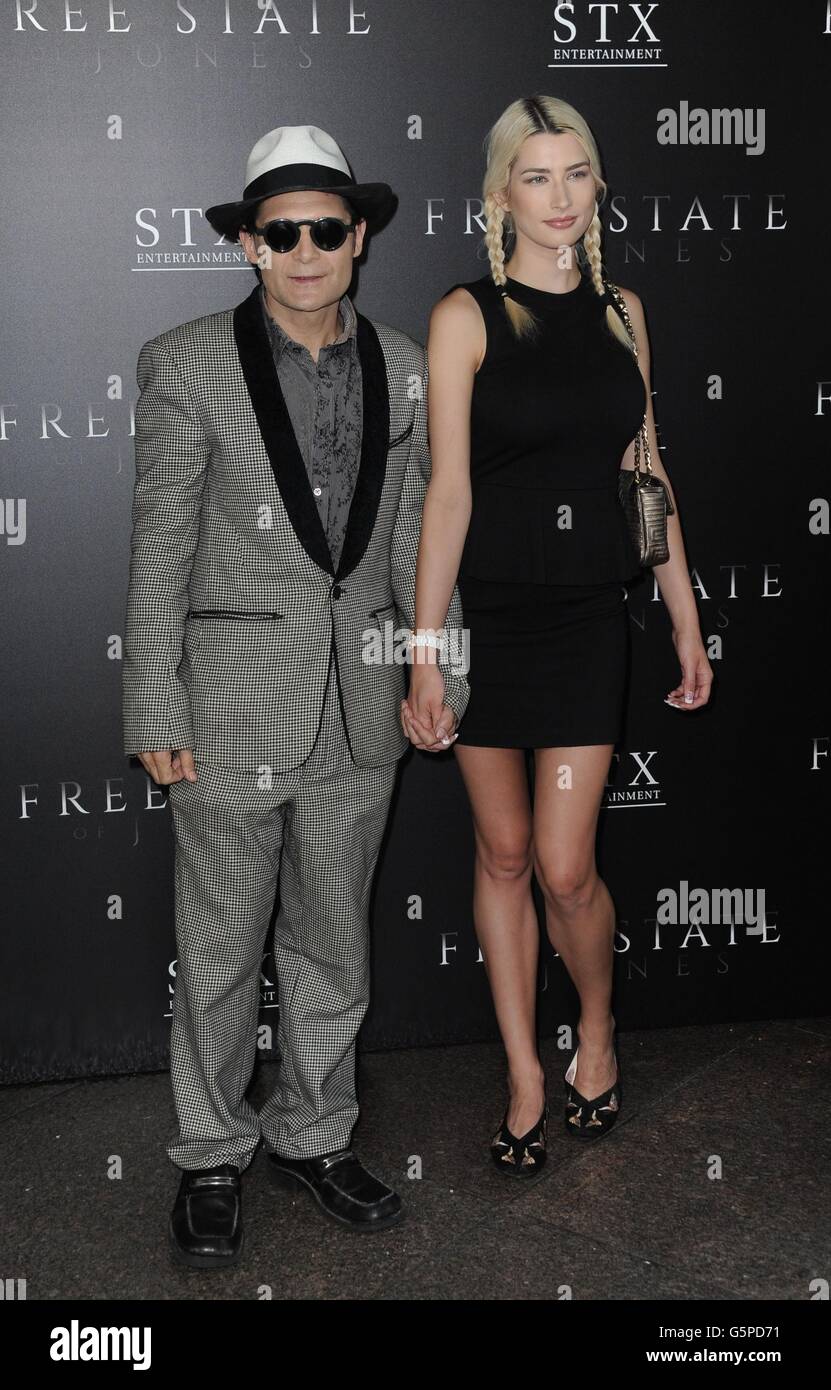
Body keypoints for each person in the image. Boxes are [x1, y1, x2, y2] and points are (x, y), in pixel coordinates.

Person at [122, 123, 469, 1267]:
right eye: (284, 232)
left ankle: (314, 1133)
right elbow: (162, 547)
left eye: (328, 228)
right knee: (218, 950)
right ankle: (212, 1154)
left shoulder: (414, 368)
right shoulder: (185, 364)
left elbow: (424, 538)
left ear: (359, 237)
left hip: (363, 704)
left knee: (333, 944)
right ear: (250, 245)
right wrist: (155, 709)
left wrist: (435, 664)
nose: (308, 248)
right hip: (228, 708)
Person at [402, 95, 713, 1175]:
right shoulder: (464, 316)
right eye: (536, 177)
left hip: (587, 615)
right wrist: (426, 649)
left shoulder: (626, 310)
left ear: (597, 187)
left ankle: (599, 1026)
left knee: (565, 867)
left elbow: (645, 470)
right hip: (490, 619)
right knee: (500, 852)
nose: (560, 198)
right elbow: (447, 496)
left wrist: (684, 617)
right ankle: (526, 1071)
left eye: (576, 174)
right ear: (499, 195)